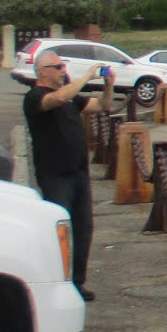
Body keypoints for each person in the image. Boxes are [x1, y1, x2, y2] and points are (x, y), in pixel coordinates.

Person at [24, 51, 98, 300]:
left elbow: (101, 105)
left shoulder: (70, 98)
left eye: (63, 66)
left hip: (79, 172)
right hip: (56, 174)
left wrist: (108, 87)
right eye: (57, 67)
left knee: (84, 228)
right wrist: (87, 75)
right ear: (43, 70)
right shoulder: (35, 97)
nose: (62, 70)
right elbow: (55, 99)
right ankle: (59, 282)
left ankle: (78, 282)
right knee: (60, 231)